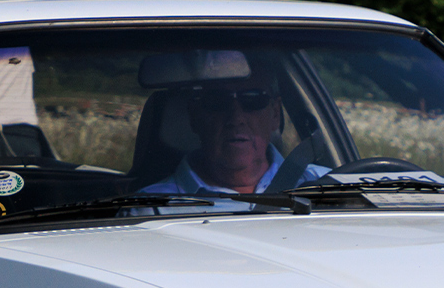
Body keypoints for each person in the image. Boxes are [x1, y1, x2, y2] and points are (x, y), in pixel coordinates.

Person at [141, 68, 330, 196]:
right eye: (218, 102)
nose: (236, 118)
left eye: (253, 100)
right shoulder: (147, 208)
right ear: (195, 116)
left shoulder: (328, 186)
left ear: (275, 114)